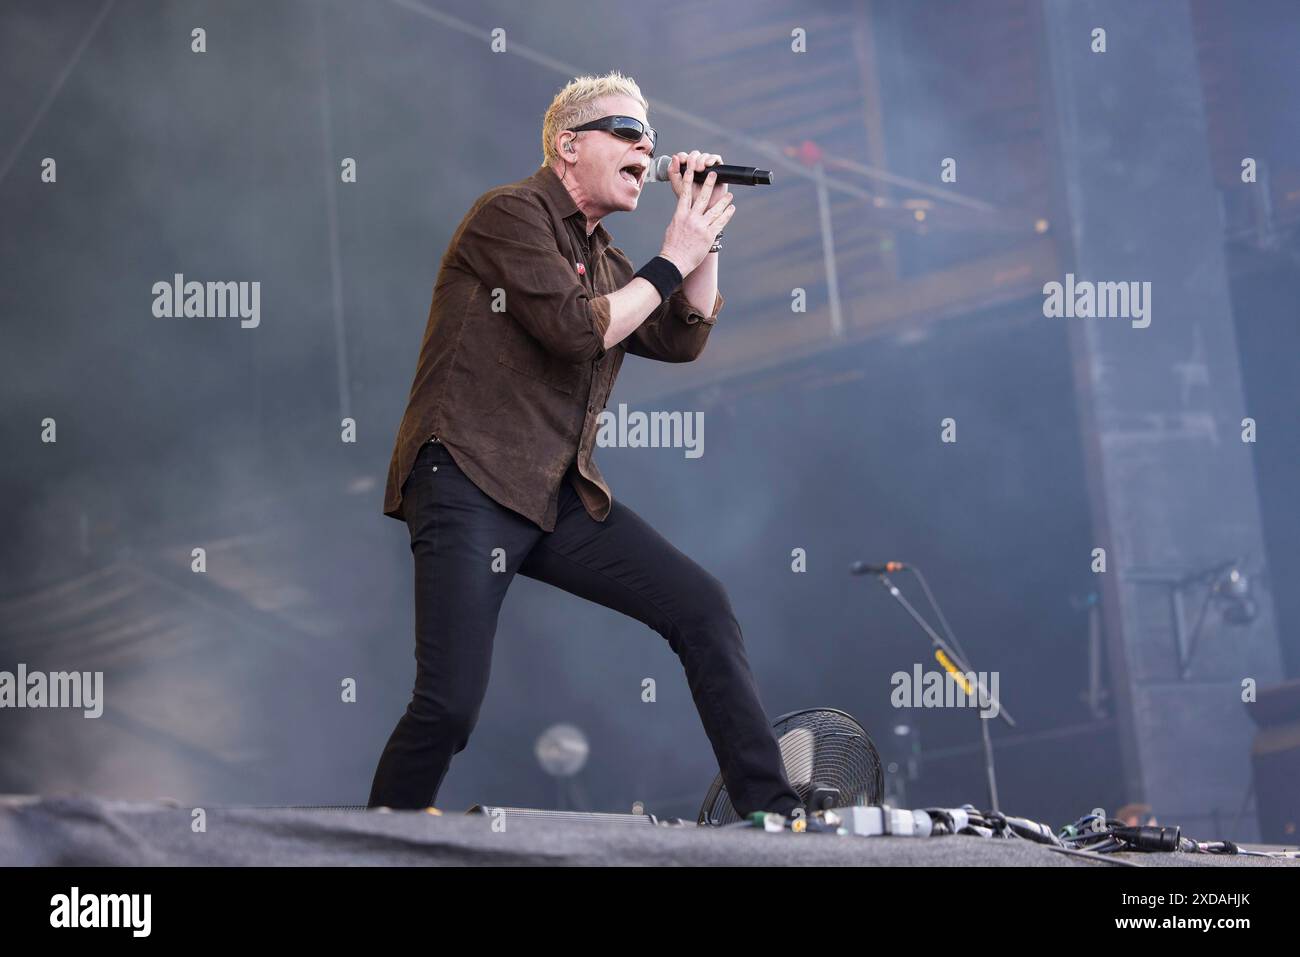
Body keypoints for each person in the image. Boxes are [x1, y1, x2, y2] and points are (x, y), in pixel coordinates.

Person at [368, 70, 802, 819]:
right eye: (629, 133)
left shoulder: (606, 257)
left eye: (653, 140)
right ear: (569, 146)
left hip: (553, 492)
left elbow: (680, 335)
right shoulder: (510, 214)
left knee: (701, 606)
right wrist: (673, 253)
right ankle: (376, 840)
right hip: (468, 475)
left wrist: (705, 236)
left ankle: (773, 810)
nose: (648, 148)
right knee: (449, 708)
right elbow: (578, 330)